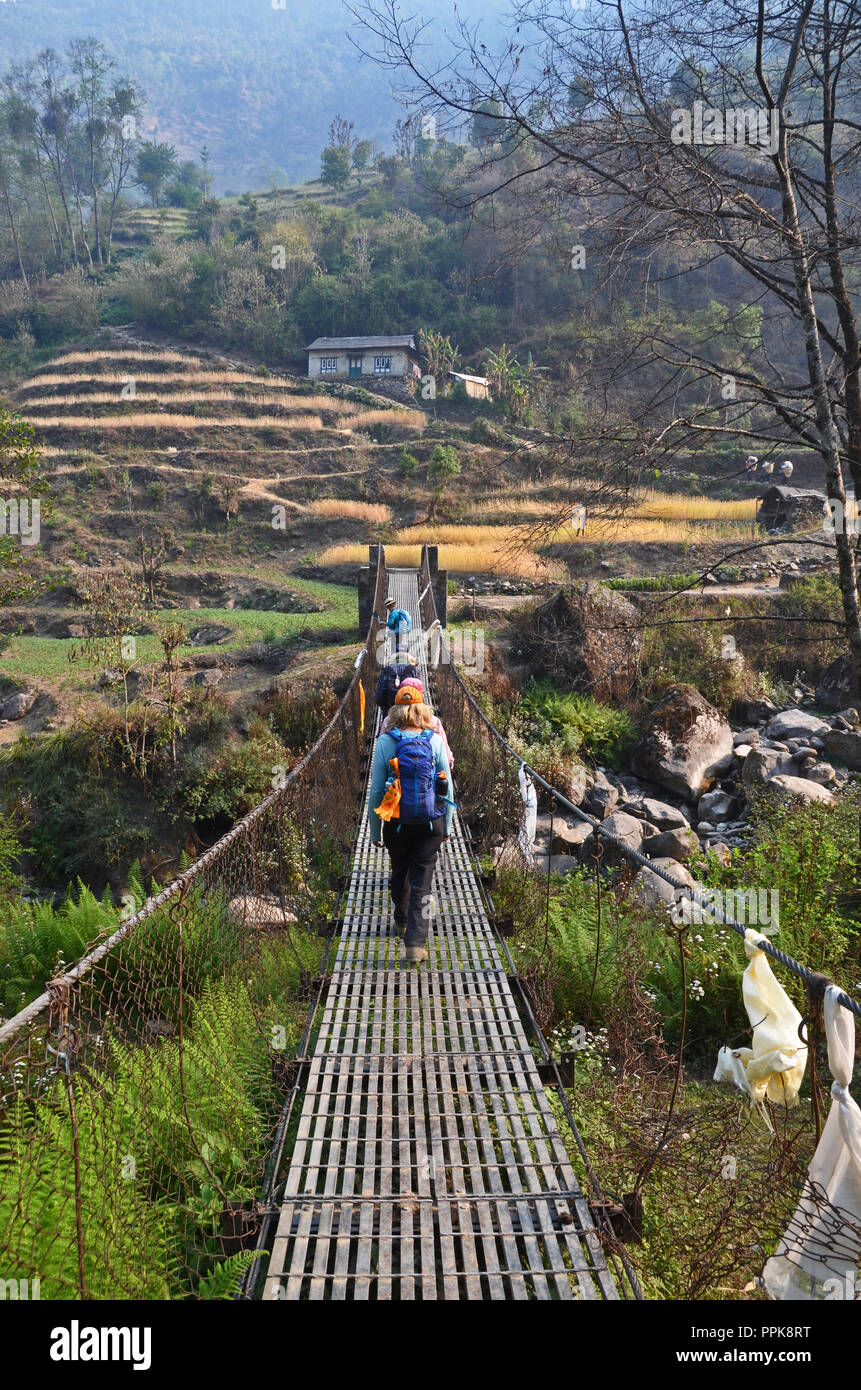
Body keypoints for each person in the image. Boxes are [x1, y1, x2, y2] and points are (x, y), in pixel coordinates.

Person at [368, 685, 455, 967]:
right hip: (431, 822)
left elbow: (374, 792)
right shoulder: (434, 741)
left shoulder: (384, 742)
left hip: (396, 821)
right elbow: (447, 789)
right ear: (423, 710)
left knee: (399, 870)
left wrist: (374, 830)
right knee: (423, 882)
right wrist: (448, 826)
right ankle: (416, 945)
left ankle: (401, 920)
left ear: (395, 711)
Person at [381, 677, 454, 768]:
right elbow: (445, 757)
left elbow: (381, 752)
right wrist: (449, 761)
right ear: (421, 696)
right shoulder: (434, 721)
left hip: (396, 775)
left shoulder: (388, 720)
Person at [374, 650, 420, 717]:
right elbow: (420, 693)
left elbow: (379, 696)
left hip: (390, 713)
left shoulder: (386, 671)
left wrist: (384, 707)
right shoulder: (414, 671)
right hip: (410, 713)